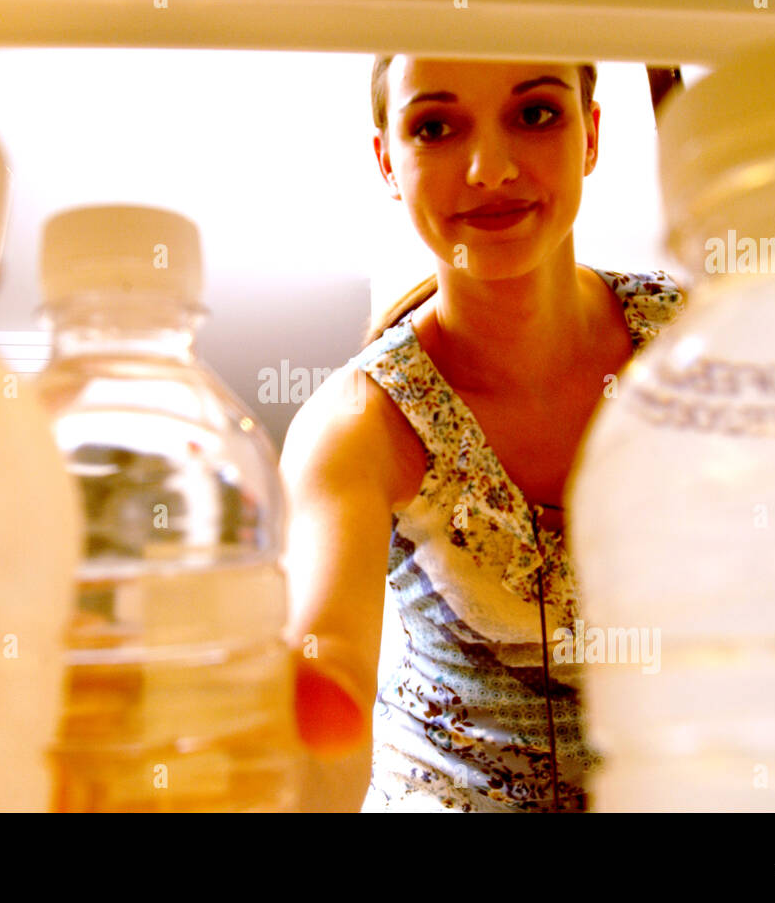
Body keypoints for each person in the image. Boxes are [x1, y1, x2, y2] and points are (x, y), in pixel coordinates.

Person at [280, 55, 686, 811]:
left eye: (534, 114)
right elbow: (324, 677)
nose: (490, 169)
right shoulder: (357, 425)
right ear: (387, 163)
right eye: (435, 127)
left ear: (591, 134)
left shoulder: (701, 347)